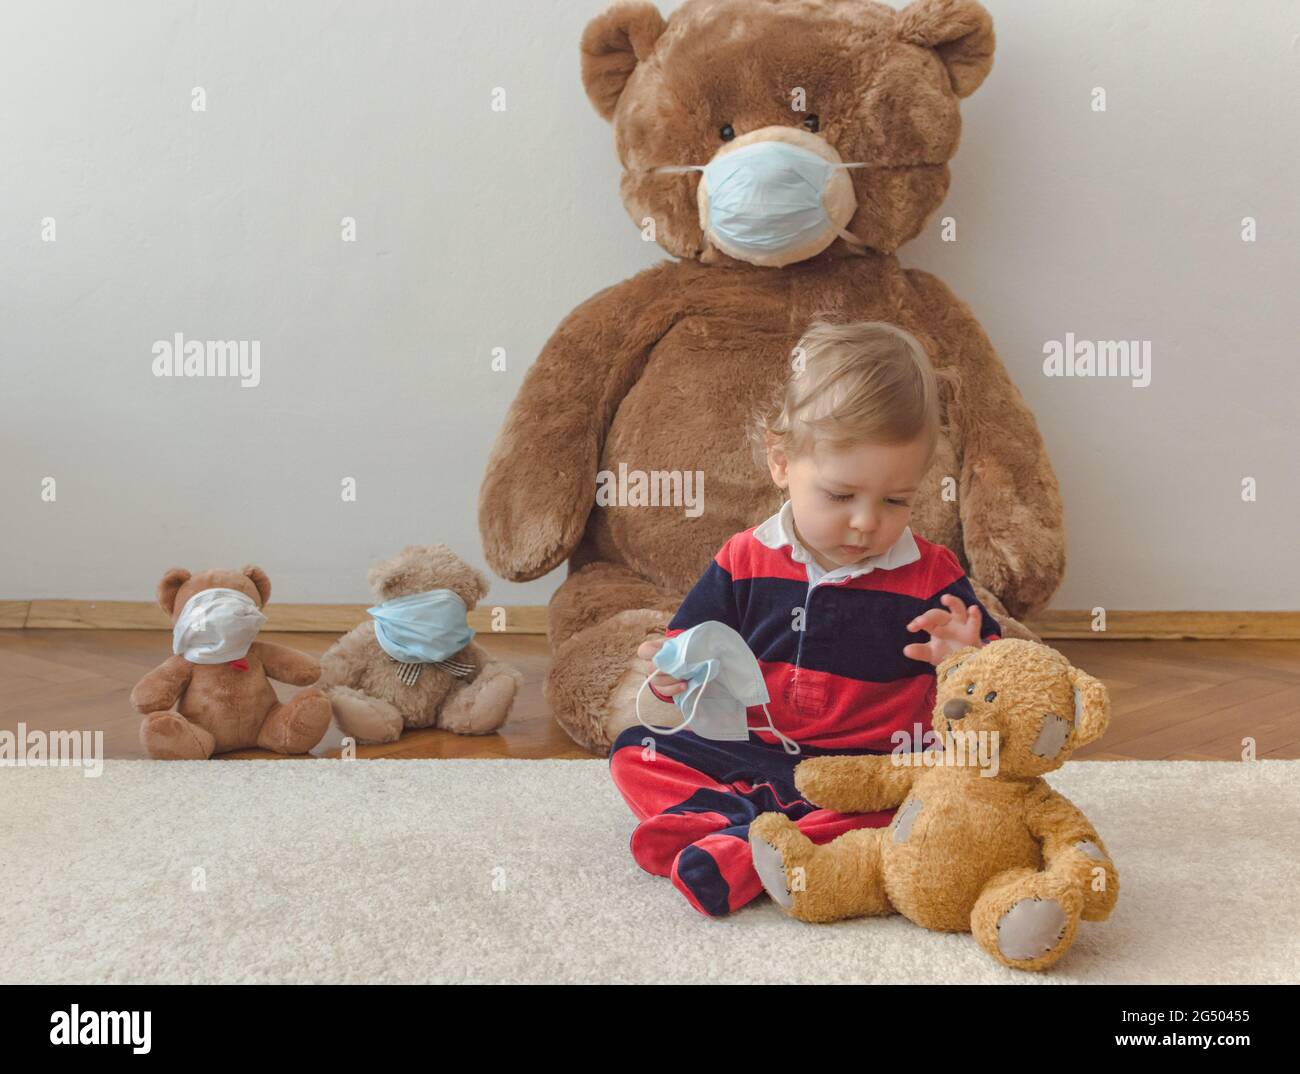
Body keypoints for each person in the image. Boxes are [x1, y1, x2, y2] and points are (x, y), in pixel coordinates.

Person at [608, 319, 1002, 916]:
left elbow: (995, 689)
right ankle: (738, 820)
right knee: (637, 752)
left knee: (935, 801)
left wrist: (966, 661)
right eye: (841, 496)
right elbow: (693, 642)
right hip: (756, 754)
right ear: (780, 461)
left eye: (897, 501)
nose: (867, 522)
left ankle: (744, 848)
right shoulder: (744, 558)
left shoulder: (933, 577)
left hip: (871, 771)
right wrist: (671, 669)